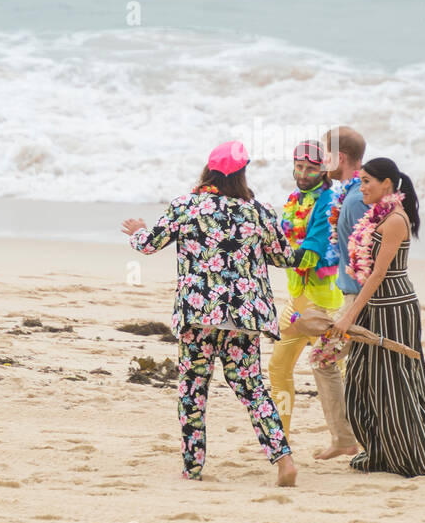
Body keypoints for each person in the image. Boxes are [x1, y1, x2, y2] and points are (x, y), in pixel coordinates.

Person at [122, 141, 298, 486]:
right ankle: (284, 460)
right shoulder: (259, 211)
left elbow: (148, 244)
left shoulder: (187, 205)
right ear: (242, 173)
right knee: (252, 390)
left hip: (198, 316)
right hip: (244, 318)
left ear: (209, 171)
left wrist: (137, 230)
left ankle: (192, 468)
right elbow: (284, 258)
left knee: (193, 390)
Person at [332, 158, 425, 480]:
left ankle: (418, 458)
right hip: (375, 305)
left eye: (367, 181)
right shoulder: (375, 216)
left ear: (388, 185)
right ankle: (381, 452)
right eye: (361, 180)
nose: (362, 187)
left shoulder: (395, 219)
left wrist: (349, 316)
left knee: (395, 388)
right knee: (360, 383)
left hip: (394, 309)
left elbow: (378, 274)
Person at [267, 140, 344, 442]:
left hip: (324, 307)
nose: (302, 173)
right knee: (278, 369)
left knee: (337, 377)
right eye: (298, 167)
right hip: (296, 303)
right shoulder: (294, 199)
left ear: (323, 169)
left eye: (310, 168)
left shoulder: (328, 203)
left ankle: (353, 439)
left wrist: (269, 254)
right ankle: (280, 439)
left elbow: (310, 254)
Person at [308, 126, 367, 460]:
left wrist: (352, 311)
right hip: (354, 298)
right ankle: (346, 438)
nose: (321, 160)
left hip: (357, 300)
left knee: (322, 359)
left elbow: (366, 262)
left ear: (340, 158)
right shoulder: (352, 193)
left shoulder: (357, 199)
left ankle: (345, 438)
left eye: (326, 154)